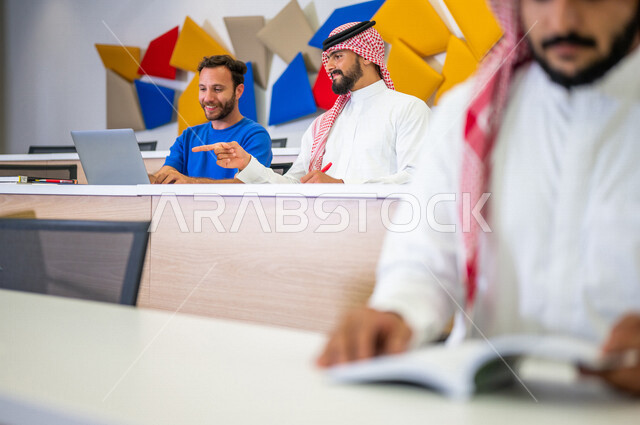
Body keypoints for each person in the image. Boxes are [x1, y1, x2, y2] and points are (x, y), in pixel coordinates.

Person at [317, 0, 640, 396]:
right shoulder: (467, 112)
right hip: (486, 401)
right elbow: (423, 262)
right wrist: (397, 312)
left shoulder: (406, 109)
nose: (563, 20)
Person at [194, 21, 431, 184]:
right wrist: (247, 164)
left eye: (337, 57)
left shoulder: (408, 109)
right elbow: (294, 184)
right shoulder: (322, 125)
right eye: (327, 59)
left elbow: (417, 177)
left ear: (367, 57)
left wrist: (341, 185)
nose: (328, 67)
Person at [152, 55, 272, 184]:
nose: (208, 97)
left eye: (217, 89)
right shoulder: (188, 136)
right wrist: (148, 179)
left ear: (238, 91)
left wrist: (192, 182)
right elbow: (165, 174)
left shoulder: (256, 135)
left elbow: (246, 185)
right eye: (203, 89)